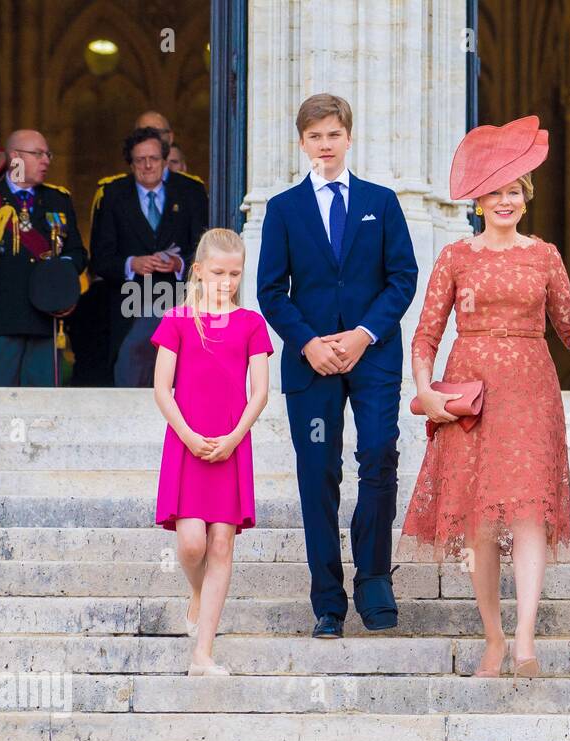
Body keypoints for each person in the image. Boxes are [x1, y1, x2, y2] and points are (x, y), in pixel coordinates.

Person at [401, 116, 570, 678]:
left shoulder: (546, 255)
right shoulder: (456, 257)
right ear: (478, 201)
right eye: (494, 193)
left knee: (528, 514)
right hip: (471, 392)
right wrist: (425, 390)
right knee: (479, 522)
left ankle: (525, 640)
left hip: (531, 389)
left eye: (514, 192)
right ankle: (494, 638)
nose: (505, 201)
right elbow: (427, 333)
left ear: (526, 199)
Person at [257, 93, 419, 639]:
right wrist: (308, 343)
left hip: (372, 357)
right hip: (312, 365)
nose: (324, 144)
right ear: (302, 143)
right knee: (318, 472)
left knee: (378, 455)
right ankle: (327, 599)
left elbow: (402, 277)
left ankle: (374, 578)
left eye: (333, 134)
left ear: (348, 137)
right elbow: (271, 291)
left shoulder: (382, 201)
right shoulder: (284, 209)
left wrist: (363, 333)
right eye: (314, 137)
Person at [150, 228, 273, 676]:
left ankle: (203, 652)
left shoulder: (251, 323)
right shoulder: (177, 320)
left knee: (221, 543)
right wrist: (186, 434)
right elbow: (163, 389)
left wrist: (235, 437)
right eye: (218, 272)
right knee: (191, 543)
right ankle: (197, 593)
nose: (226, 281)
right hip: (187, 444)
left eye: (235, 274)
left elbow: (259, 392)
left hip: (230, 445)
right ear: (198, 271)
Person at [0, 129, 88, 386]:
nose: (46, 160)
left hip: (44, 319)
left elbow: (77, 253)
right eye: (38, 154)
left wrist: (61, 275)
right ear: (15, 157)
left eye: (48, 154)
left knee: (42, 407)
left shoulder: (58, 200)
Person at [90, 127, 207, 386]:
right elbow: (100, 258)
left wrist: (180, 264)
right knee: (129, 378)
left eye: (153, 158)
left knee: (180, 382)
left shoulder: (190, 192)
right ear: (130, 164)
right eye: (139, 160)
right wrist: (132, 264)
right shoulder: (113, 195)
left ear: (165, 160)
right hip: (128, 307)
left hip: (179, 301)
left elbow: (205, 249)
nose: (147, 165)